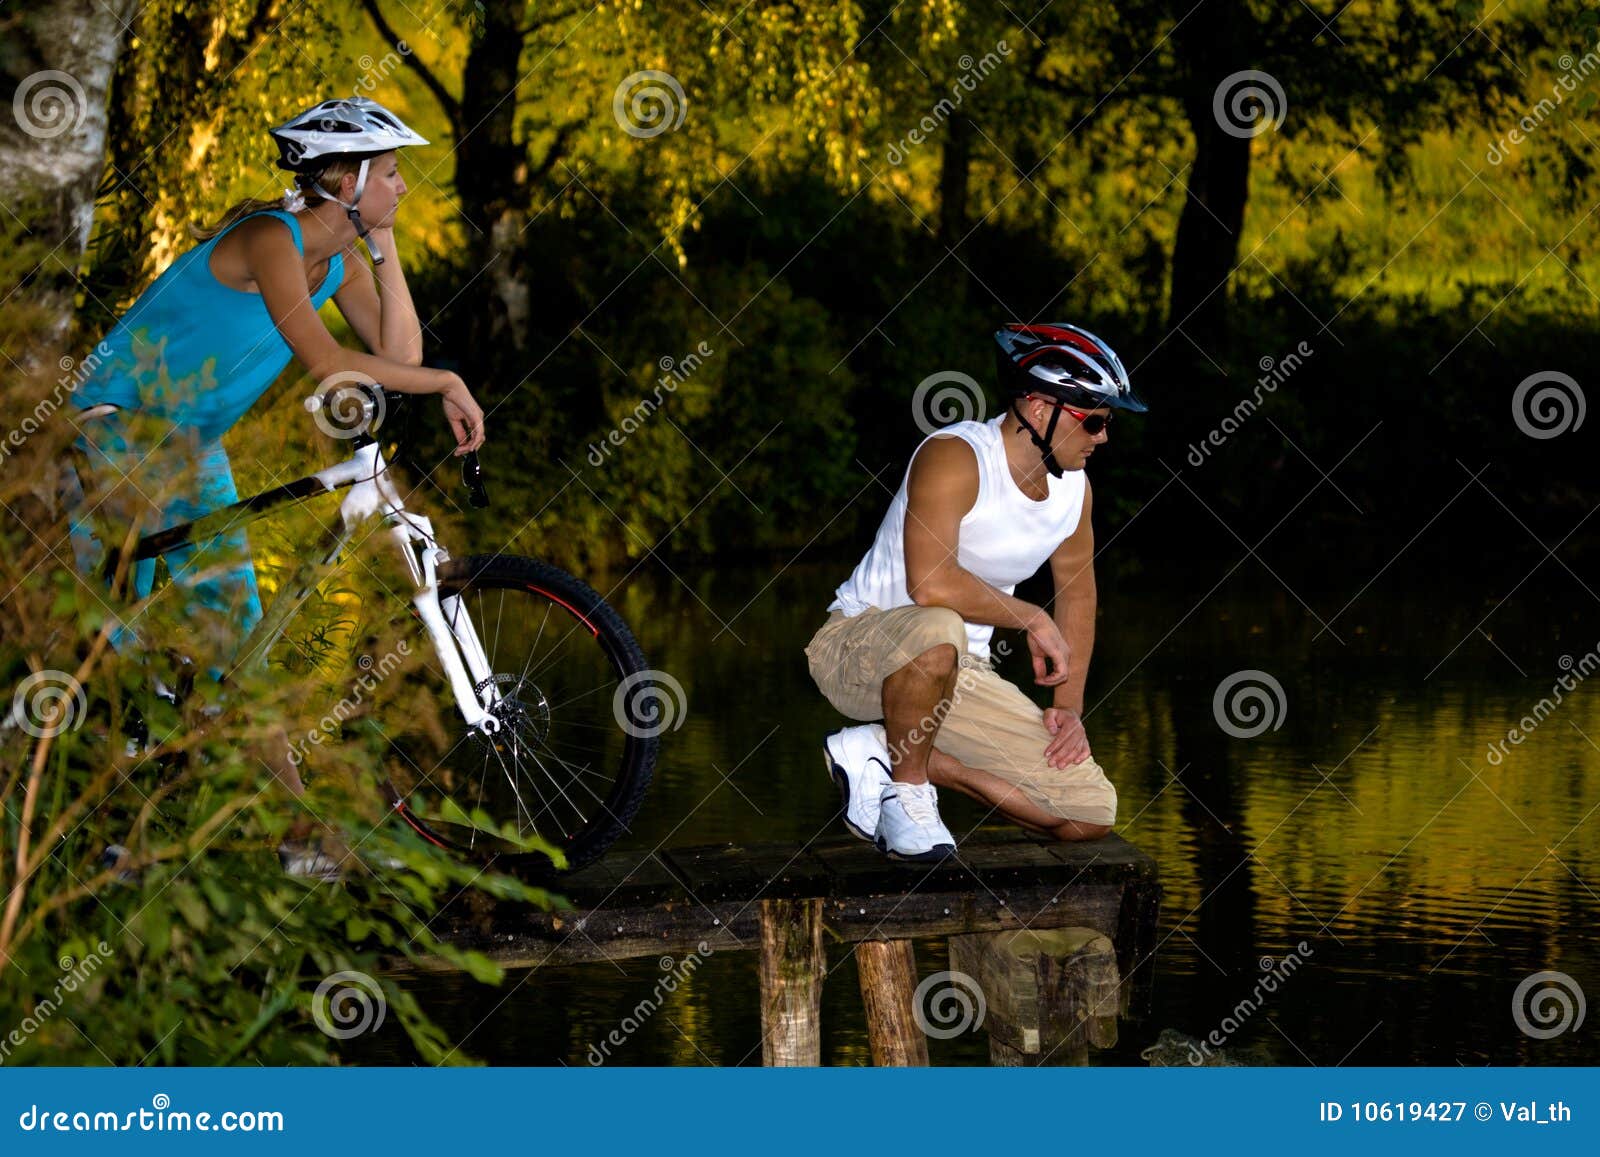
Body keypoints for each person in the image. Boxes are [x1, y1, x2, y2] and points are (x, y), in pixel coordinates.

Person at [64, 97, 486, 876]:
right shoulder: (271, 239)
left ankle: (293, 839)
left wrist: (386, 247)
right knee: (123, 646)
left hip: (189, 444)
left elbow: (395, 348)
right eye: (389, 175)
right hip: (117, 425)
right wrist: (446, 381)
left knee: (239, 651)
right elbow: (330, 363)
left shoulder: (345, 260)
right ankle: (103, 815)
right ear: (343, 180)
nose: (403, 186)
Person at [805, 323, 1147, 861]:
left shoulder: (1074, 494)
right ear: (1039, 410)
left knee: (1089, 812)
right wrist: (1031, 618)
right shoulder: (956, 456)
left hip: (961, 675)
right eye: (1096, 420)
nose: (1104, 436)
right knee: (940, 625)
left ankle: (882, 750)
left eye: (1108, 422)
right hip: (858, 648)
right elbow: (930, 582)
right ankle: (911, 793)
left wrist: (1069, 708)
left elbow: (1079, 597)